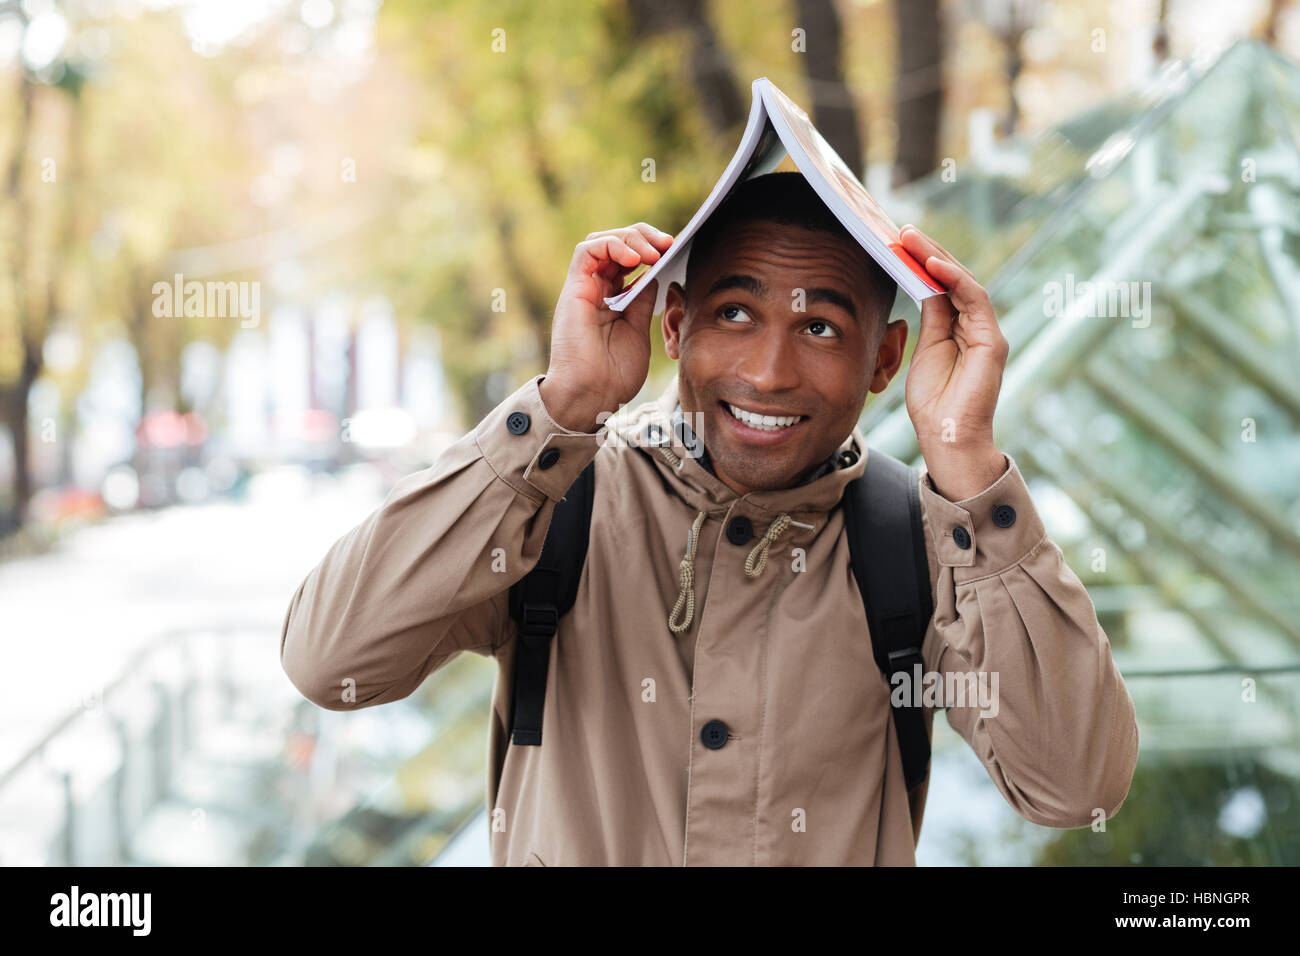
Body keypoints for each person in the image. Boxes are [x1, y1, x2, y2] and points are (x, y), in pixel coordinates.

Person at [279, 172, 1139, 866]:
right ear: (677, 324)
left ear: (885, 362)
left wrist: (967, 462)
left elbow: (1075, 787)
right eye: (735, 314)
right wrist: (562, 404)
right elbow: (332, 662)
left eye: (821, 327)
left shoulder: (922, 541)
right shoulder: (555, 500)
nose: (768, 372)